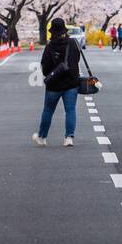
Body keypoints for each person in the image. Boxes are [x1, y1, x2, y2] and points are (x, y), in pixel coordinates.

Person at [34, 18, 81, 147]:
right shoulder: (73, 43)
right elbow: (76, 60)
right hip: (71, 83)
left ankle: (42, 137)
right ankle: (69, 137)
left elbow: (45, 67)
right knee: (70, 110)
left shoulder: (50, 46)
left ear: (52, 31)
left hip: (53, 85)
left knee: (48, 110)